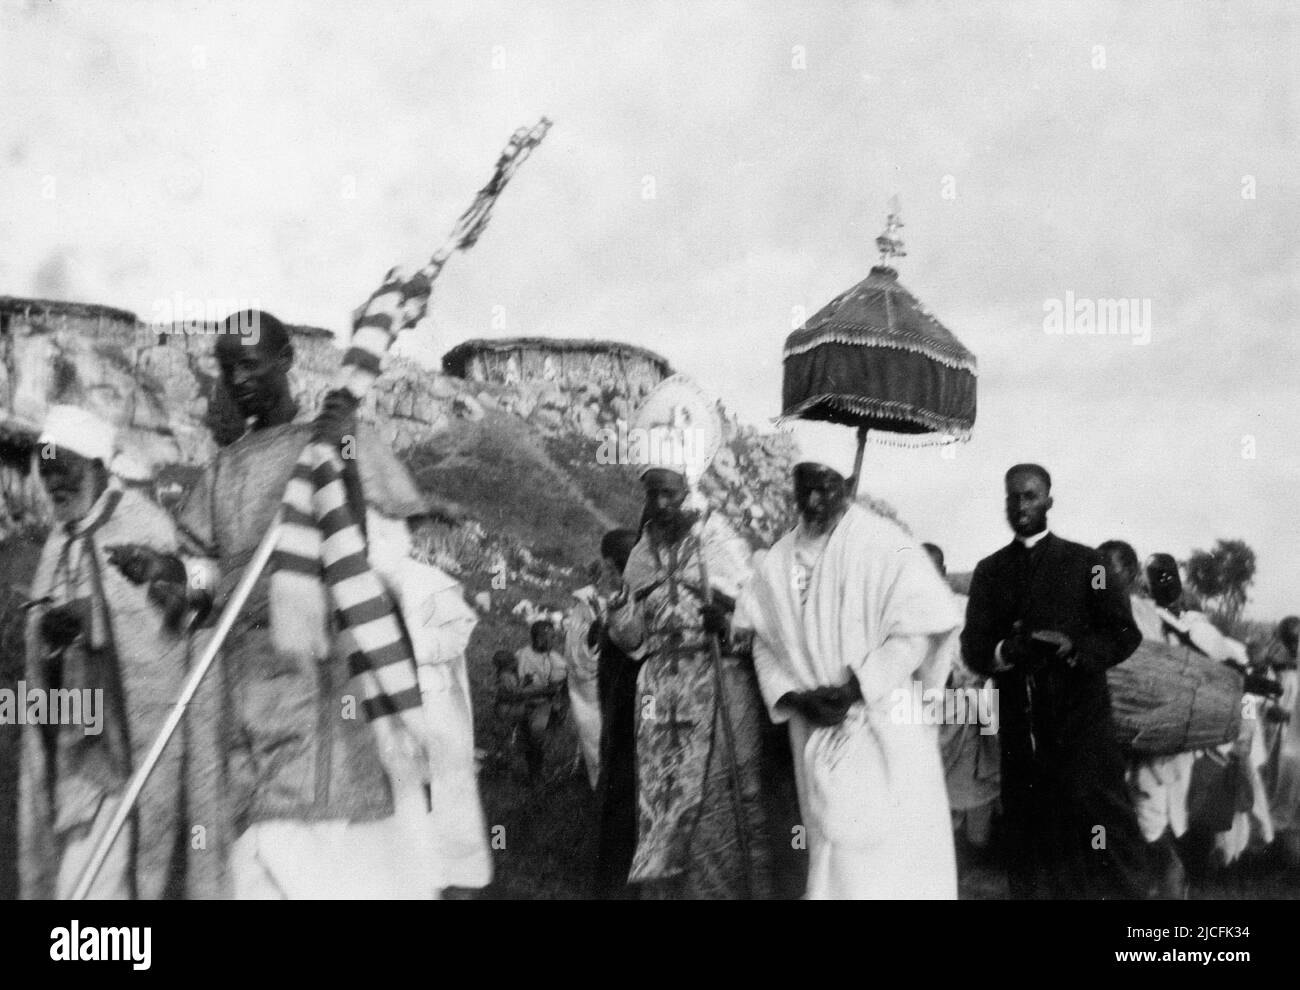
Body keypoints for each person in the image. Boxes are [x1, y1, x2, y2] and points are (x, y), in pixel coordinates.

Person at [174, 310, 461, 898]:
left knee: (326, 851)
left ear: (286, 360)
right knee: (255, 853)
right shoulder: (222, 469)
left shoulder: (331, 439)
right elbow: (198, 575)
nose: (237, 379)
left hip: (326, 683)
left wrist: (341, 453)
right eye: (226, 368)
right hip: (247, 687)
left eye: (249, 363)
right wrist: (169, 575)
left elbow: (372, 548)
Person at [737, 438, 960, 899]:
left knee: (895, 856)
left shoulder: (885, 545)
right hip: (815, 728)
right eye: (804, 489)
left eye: (826, 488)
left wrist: (858, 687)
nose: (814, 501)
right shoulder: (776, 562)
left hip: (884, 725)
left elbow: (920, 631)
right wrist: (796, 697)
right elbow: (763, 642)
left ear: (849, 485)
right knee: (832, 852)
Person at [18, 405, 221, 899]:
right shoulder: (58, 541)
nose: (55, 482)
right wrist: (41, 627)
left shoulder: (141, 523)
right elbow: (38, 637)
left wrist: (91, 623)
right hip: (74, 741)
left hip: (131, 741)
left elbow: (174, 622)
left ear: (97, 466)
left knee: (111, 881)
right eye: (47, 471)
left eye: (65, 466)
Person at [963, 464, 1150, 898]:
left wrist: (1075, 647)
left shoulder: (1090, 564)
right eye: (1013, 497)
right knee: (1030, 846)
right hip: (1021, 737)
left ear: (1049, 500)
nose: (1021, 506)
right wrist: (1006, 652)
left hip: (1082, 732)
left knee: (1101, 833)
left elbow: (1124, 632)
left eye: (1030, 496)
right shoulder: (990, 571)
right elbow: (973, 648)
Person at [607, 466, 771, 899]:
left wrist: (730, 623)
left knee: (719, 793)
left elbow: (760, 622)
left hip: (719, 681)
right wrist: (621, 615)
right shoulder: (642, 554)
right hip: (659, 690)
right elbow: (632, 639)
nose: (660, 504)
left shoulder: (721, 543)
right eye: (651, 494)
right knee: (661, 794)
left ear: (689, 491)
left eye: (669, 493)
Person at [926, 542, 1000, 857]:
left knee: (978, 793)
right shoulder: (903, 612)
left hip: (972, 706)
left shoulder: (963, 607)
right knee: (937, 801)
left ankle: (977, 850)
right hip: (931, 709)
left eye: (931, 569)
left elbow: (983, 656)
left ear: (943, 572)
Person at [589, 528, 643, 898]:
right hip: (623, 704)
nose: (625, 569)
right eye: (620, 562)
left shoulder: (631, 591)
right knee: (622, 785)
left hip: (635, 703)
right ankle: (614, 880)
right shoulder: (612, 595)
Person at [508, 620, 569, 781]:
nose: (550, 641)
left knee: (536, 735)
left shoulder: (556, 661)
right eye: (545, 637)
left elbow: (554, 689)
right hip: (521, 703)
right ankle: (529, 769)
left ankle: (537, 775)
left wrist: (527, 693)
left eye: (552, 637)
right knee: (523, 737)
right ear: (535, 637)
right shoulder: (521, 654)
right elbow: (512, 678)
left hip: (541, 704)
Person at [1261, 617, 1300, 864]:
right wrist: (1277, 711)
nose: (1295, 646)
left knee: (1290, 793)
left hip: (1294, 740)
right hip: (1275, 737)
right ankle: (1272, 849)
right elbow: (1258, 700)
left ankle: (1286, 854)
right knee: (1273, 788)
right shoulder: (1273, 668)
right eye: (1292, 641)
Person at [563, 586, 603, 789]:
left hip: (589, 685)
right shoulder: (580, 623)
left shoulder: (579, 622)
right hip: (589, 688)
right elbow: (581, 655)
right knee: (594, 734)